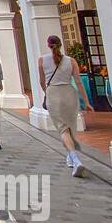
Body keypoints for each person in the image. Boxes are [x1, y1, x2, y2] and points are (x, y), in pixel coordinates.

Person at [39, 34, 91, 177]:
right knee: (70, 127)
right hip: (69, 93)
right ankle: (70, 156)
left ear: (48, 45)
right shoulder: (71, 61)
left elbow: (42, 82)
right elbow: (78, 82)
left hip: (53, 94)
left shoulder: (42, 60)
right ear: (61, 44)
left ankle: (75, 159)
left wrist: (48, 92)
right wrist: (86, 102)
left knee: (63, 130)